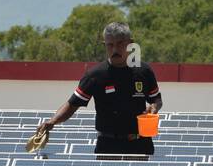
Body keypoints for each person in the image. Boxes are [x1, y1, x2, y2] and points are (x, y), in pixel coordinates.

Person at [38, 22, 162, 155]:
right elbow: (72, 104)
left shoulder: (144, 71)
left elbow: (156, 99)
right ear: (105, 45)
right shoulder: (95, 75)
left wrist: (154, 107)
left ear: (130, 43)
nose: (115, 49)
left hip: (141, 144)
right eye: (110, 45)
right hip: (108, 145)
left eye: (120, 44)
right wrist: (52, 121)